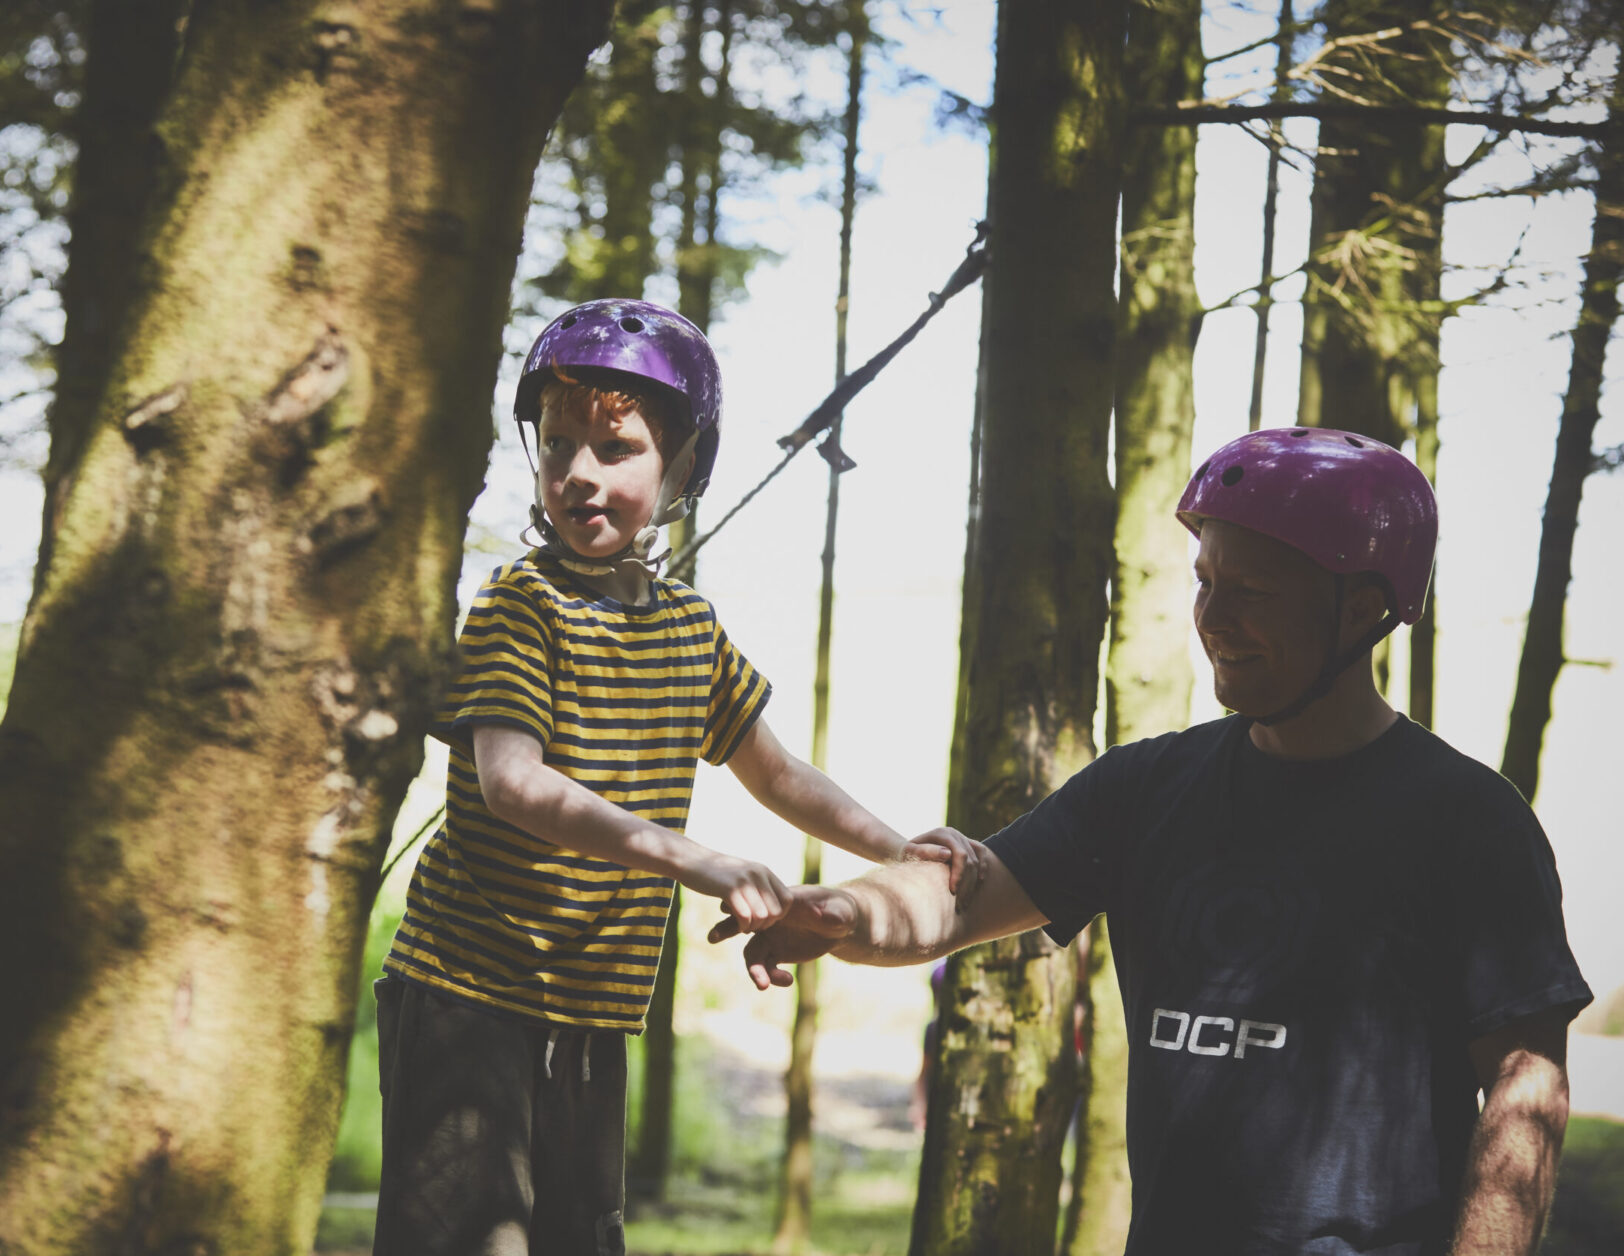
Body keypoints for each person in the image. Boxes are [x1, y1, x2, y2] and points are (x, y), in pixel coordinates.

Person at [718, 428, 1591, 1256]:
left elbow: (1526, 1083)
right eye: (1205, 583)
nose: (1213, 619)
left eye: (1250, 592)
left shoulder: (1467, 820)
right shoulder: (1147, 788)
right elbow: (963, 893)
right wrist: (842, 910)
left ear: (1362, 609)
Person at [373, 299, 975, 1256]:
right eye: (558, 444)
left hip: (592, 1008)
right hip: (471, 993)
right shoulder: (518, 605)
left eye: (615, 451)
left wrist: (900, 847)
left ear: (683, 466)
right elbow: (513, 784)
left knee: (582, 1240)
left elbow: (777, 774)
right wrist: (695, 859)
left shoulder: (689, 628)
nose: (578, 474)